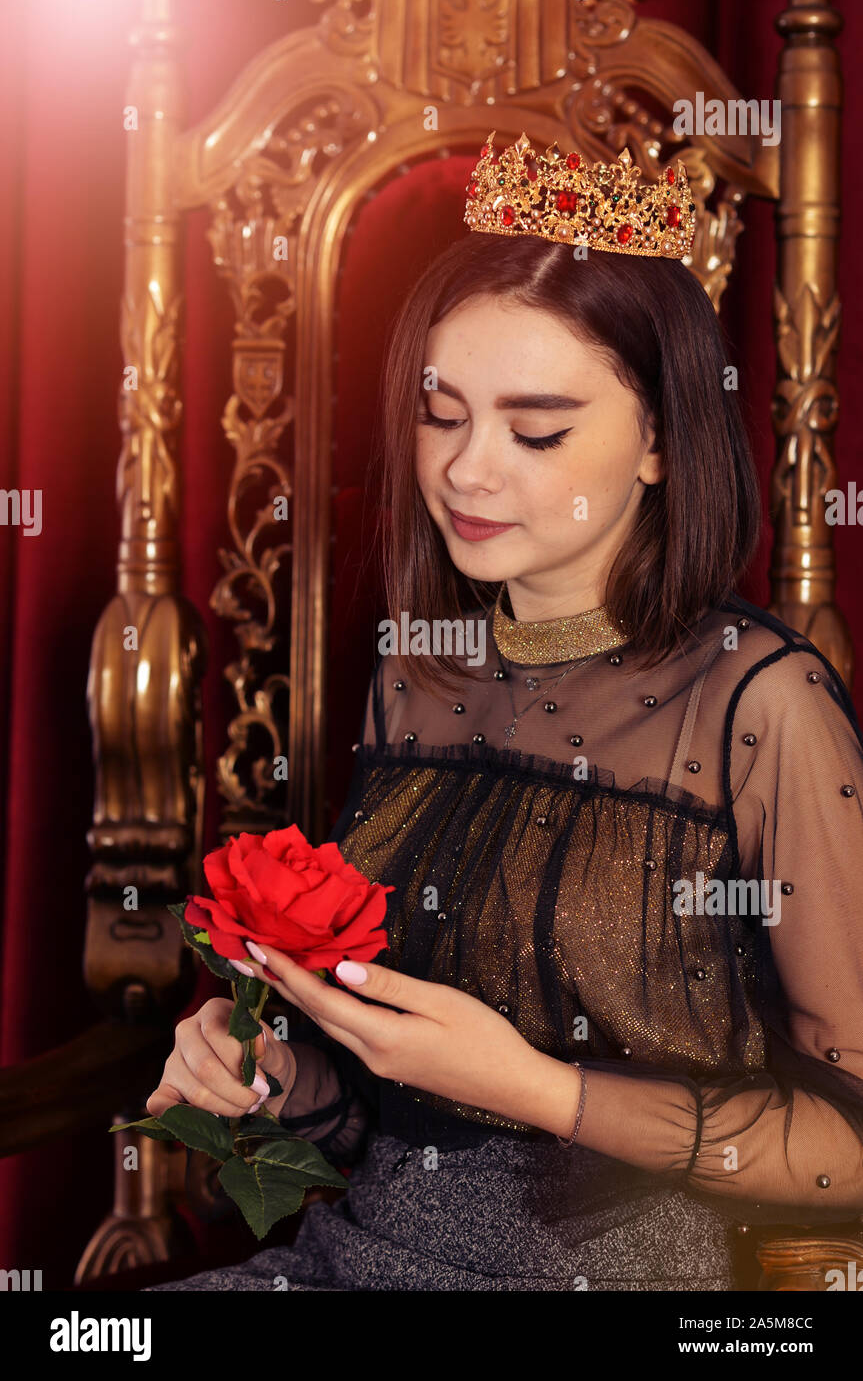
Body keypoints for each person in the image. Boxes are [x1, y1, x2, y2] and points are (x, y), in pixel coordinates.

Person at [143, 135, 863, 1292]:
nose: (467, 473)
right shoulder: (415, 673)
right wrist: (269, 1067)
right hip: (347, 1262)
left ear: (660, 444)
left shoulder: (760, 707)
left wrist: (537, 1088)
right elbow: (374, 1125)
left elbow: (851, 1153)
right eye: (440, 415)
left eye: (535, 432)